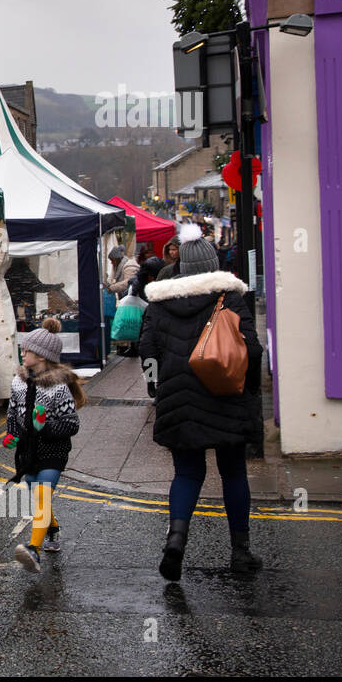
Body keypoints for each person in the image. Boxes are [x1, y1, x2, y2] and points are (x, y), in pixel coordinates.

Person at [139, 223, 264, 581]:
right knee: (234, 473)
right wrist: (248, 389)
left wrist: (158, 389)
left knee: (188, 473)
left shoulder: (159, 302)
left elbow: (147, 351)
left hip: (179, 399)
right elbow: (252, 350)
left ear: (181, 266)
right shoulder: (231, 297)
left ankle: (175, 542)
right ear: (213, 263)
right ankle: (240, 553)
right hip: (228, 396)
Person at [6, 318, 85, 572]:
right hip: (28, 453)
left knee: (42, 494)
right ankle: (52, 527)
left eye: (27, 350)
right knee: (38, 494)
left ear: (40, 356)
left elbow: (72, 424)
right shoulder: (17, 382)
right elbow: (12, 414)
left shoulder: (58, 388)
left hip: (53, 451)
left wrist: (46, 427)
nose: (23, 352)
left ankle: (34, 550)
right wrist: (12, 435)